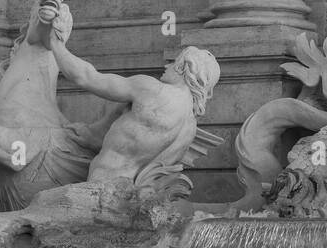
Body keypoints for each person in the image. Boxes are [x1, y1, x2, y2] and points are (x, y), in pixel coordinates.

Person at [50, 40, 221, 185]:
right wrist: (92, 138)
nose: (167, 66)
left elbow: (86, 77)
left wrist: (54, 43)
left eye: (175, 62)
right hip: (132, 198)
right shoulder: (189, 128)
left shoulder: (153, 90)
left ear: (186, 67)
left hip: (100, 188)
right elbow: (135, 149)